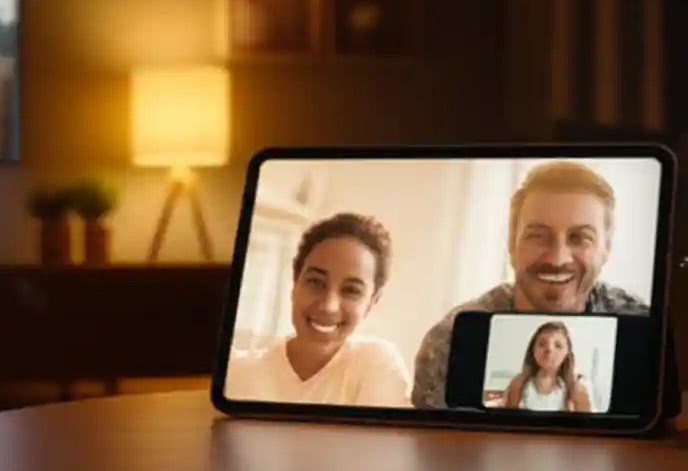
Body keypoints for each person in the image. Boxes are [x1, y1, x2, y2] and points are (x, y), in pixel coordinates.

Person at [412, 161, 648, 409]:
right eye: (538, 235)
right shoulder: (450, 342)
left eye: (579, 238)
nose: (558, 258)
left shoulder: (646, 330)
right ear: (511, 244)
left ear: (606, 247)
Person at [224, 212, 412, 407]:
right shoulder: (239, 374)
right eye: (316, 282)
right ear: (295, 282)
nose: (328, 306)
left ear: (372, 302)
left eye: (351, 290)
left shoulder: (376, 365)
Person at [501, 321, 593, 412]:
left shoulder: (577, 389)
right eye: (542, 344)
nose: (549, 349)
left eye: (558, 346)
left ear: (567, 354)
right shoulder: (518, 384)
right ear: (533, 349)